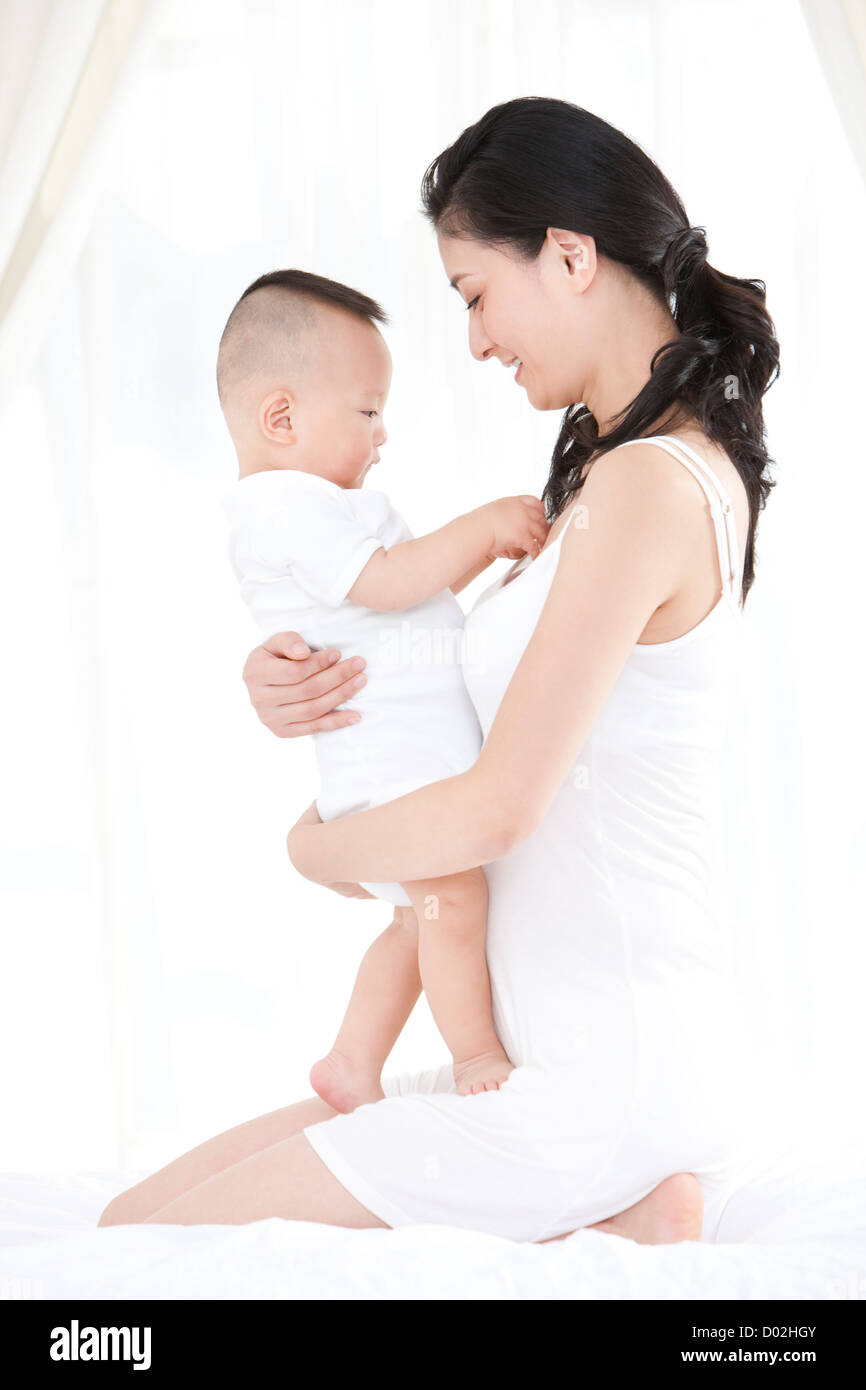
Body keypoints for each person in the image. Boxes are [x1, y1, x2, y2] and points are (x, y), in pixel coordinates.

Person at [99, 96, 779, 1244]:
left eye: (472, 293)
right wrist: (300, 685)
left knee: (140, 1256)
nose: (472, 341)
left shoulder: (646, 486)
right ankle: (623, 1221)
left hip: (596, 1076)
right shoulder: (601, 483)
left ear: (567, 253)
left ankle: (618, 1199)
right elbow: (470, 721)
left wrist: (311, 844)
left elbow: (497, 808)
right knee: (126, 1219)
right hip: (552, 1055)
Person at [218, 266, 549, 1105]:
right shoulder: (284, 504)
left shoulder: (309, 503)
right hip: (388, 757)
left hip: (404, 755)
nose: (382, 435)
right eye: (368, 412)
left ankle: (352, 1062)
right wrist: (483, 532)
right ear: (281, 418)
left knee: (419, 916)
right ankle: (475, 1057)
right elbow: (391, 585)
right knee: (449, 897)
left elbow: (407, 608)